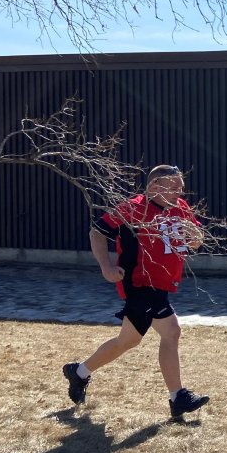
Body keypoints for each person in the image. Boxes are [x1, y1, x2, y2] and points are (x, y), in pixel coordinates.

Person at [62, 165, 210, 421]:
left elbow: (194, 240)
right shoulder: (133, 208)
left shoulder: (181, 208)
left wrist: (196, 236)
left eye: (181, 187)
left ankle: (79, 372)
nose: (179, 192)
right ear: (154, 187)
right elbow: (97, 231)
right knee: (171, 331)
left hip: (161, 283)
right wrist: (106, 267)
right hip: (139, 283)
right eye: (173, 187)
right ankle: (178, 397)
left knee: (128, 341)